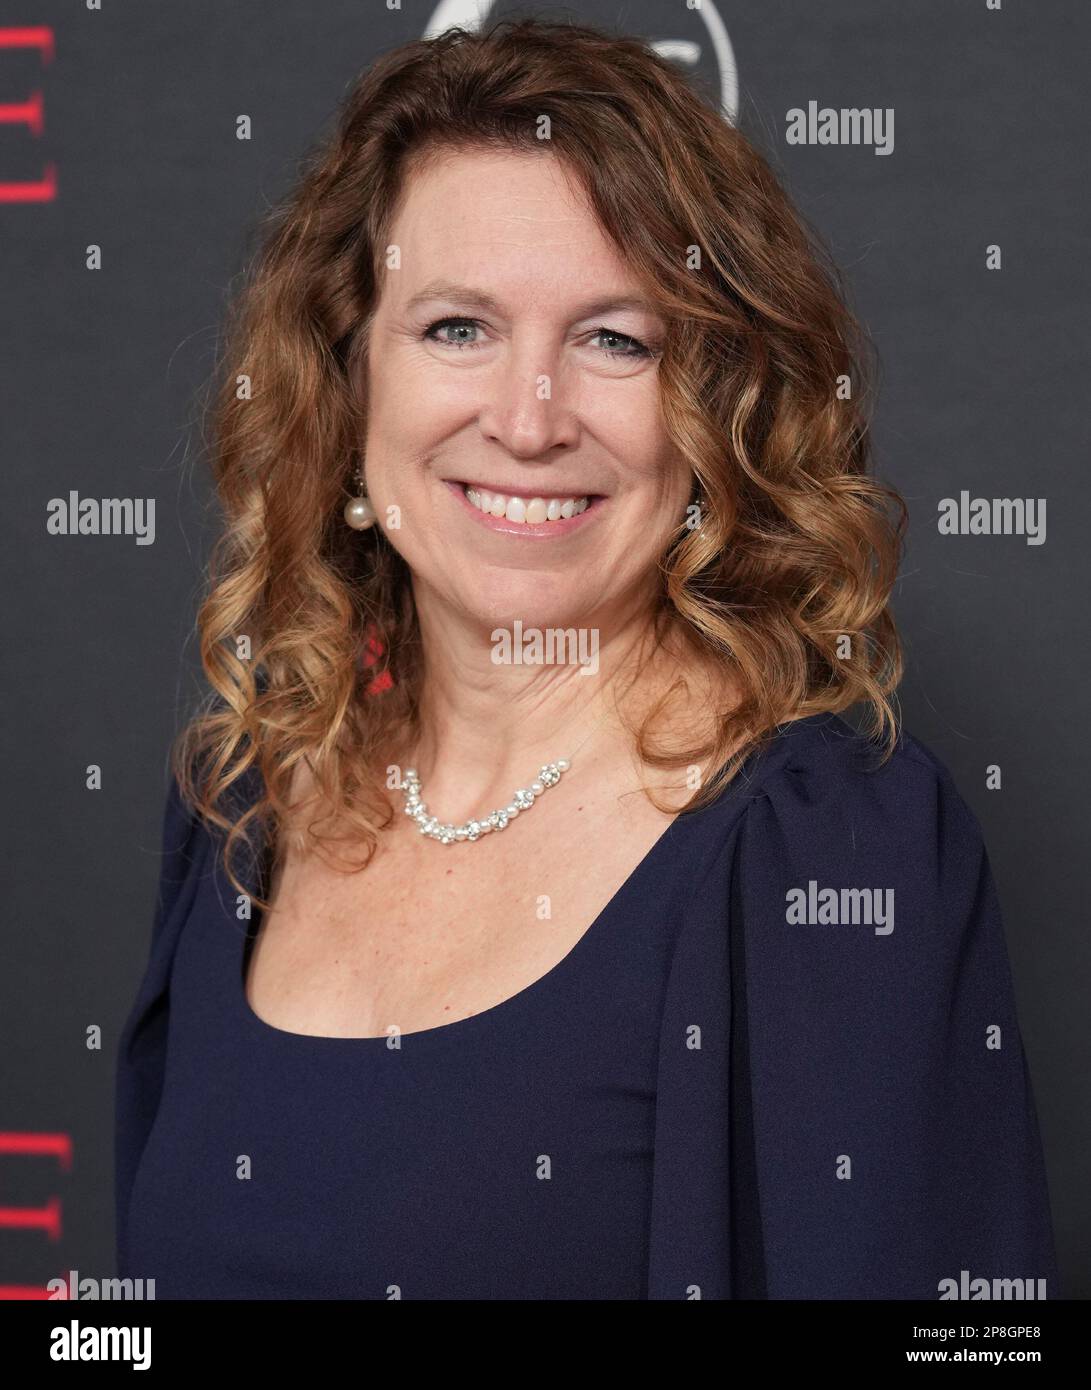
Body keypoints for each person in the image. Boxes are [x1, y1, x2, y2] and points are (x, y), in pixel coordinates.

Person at [114, 17, 1059, 1299]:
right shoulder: (242, 807)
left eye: (615, 338)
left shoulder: (827, 849)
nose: (527, 417)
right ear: (349, 387)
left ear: (712, 407)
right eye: (456, 328)